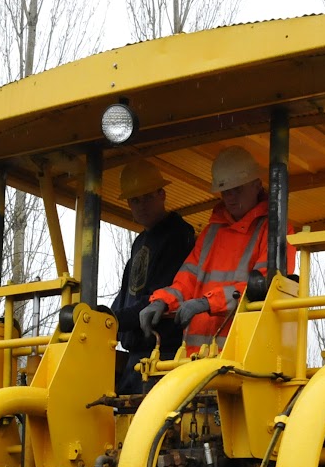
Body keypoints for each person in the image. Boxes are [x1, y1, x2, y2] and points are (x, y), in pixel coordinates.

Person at [138, 145, 295, 355]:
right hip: (196, 358)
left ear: (257, 185)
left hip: (246, 355)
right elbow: (187, 280)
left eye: (237, 189)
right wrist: (161, 301)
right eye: (225, 191)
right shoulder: (212, 231)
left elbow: (265, 287)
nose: (230, 197)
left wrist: (208, 302)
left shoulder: (276, 230)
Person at [111, 159, 196, 393]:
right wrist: (107, 318)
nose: (142, 206)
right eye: (135, 200)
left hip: (164, 355)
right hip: (136, 358)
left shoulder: (178, 236)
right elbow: (128, 293)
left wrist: (115, 319)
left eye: (148, 197)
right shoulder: (140, 242)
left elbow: (161, 294)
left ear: (162, 194)